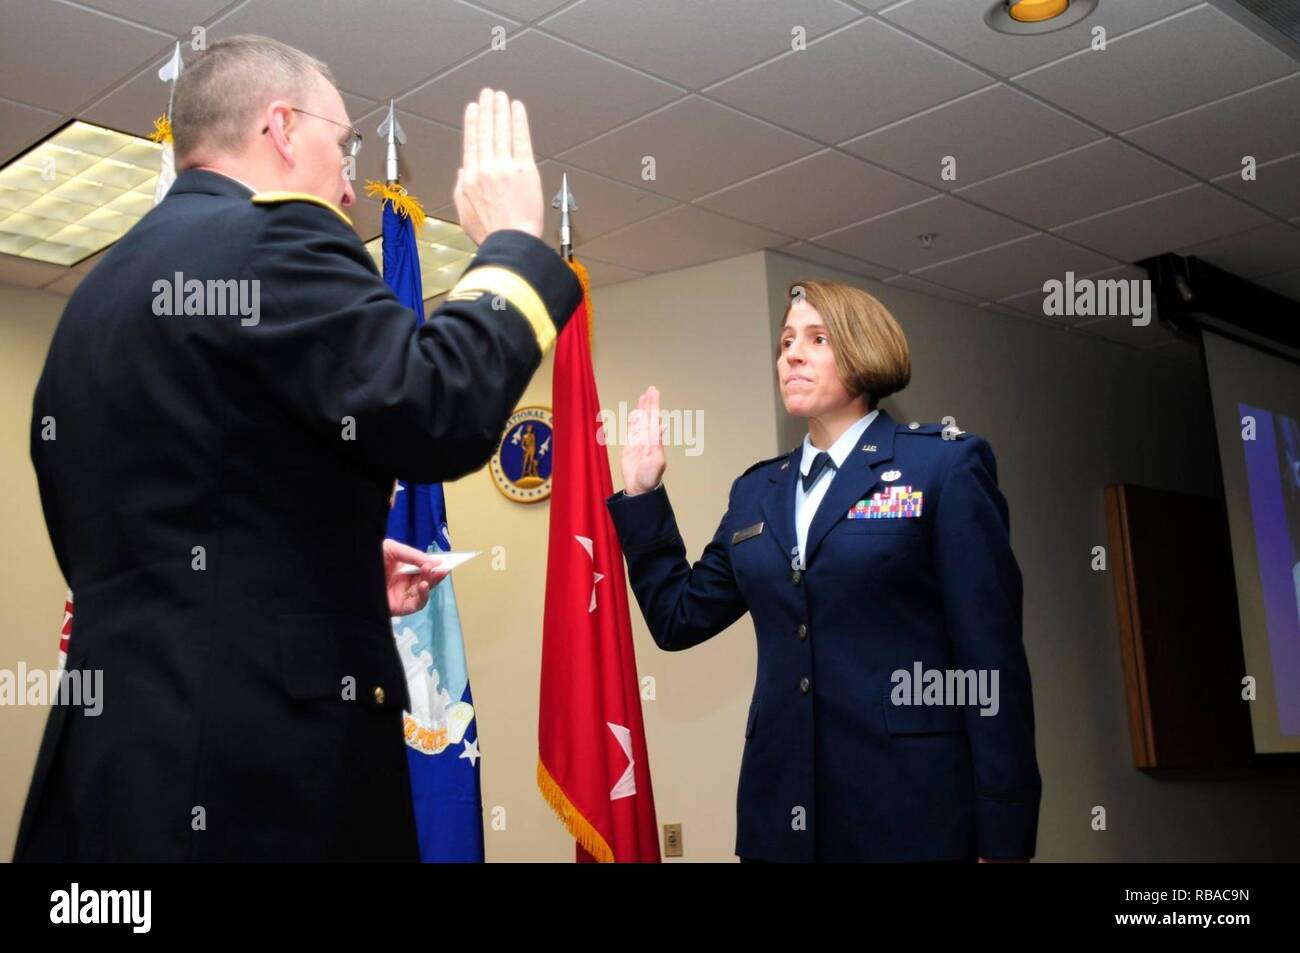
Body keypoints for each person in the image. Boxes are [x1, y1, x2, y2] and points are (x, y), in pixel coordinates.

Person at [15, 35, 581, 861]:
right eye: (344, 144)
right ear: (281, 127)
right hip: (261, 778)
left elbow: (160, 534)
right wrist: (516, 251)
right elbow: (436, 407)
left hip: (109, 775)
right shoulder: (273, 240)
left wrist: (328, 568)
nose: (351, 180)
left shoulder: (95, 300)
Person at [608, 280, 1041, 862]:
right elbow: (678, 618)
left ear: (865, 353)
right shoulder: (757, 490)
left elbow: (992, 662)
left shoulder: (942, 466)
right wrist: (642, 494)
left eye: (817, 339)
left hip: (913, 817)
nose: (791, 353)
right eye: (786, 341)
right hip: (782, 819)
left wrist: (1004, 835)